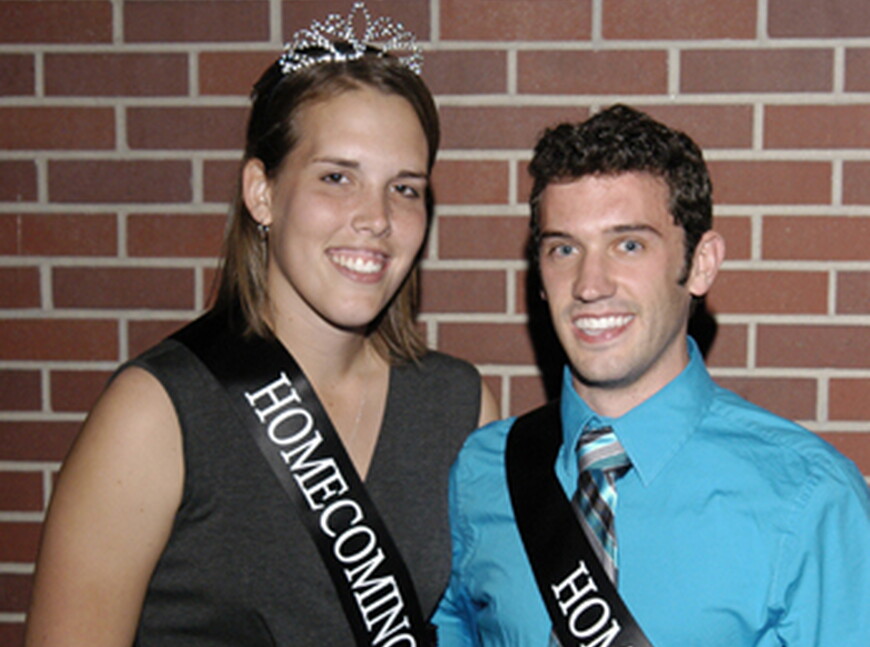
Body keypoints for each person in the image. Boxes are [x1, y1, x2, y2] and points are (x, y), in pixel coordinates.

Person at [24, 4, 498, 645]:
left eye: (405, 188)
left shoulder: (459, 406)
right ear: (262, 192)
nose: (376, 218)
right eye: (337, 177)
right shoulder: (157, 413)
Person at [434, 104, 870, 646]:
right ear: (539, 274)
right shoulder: (483, 472)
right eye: (565, 248)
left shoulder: (808, 499)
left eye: (629, 245)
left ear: (701, 263)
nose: (590, 284)